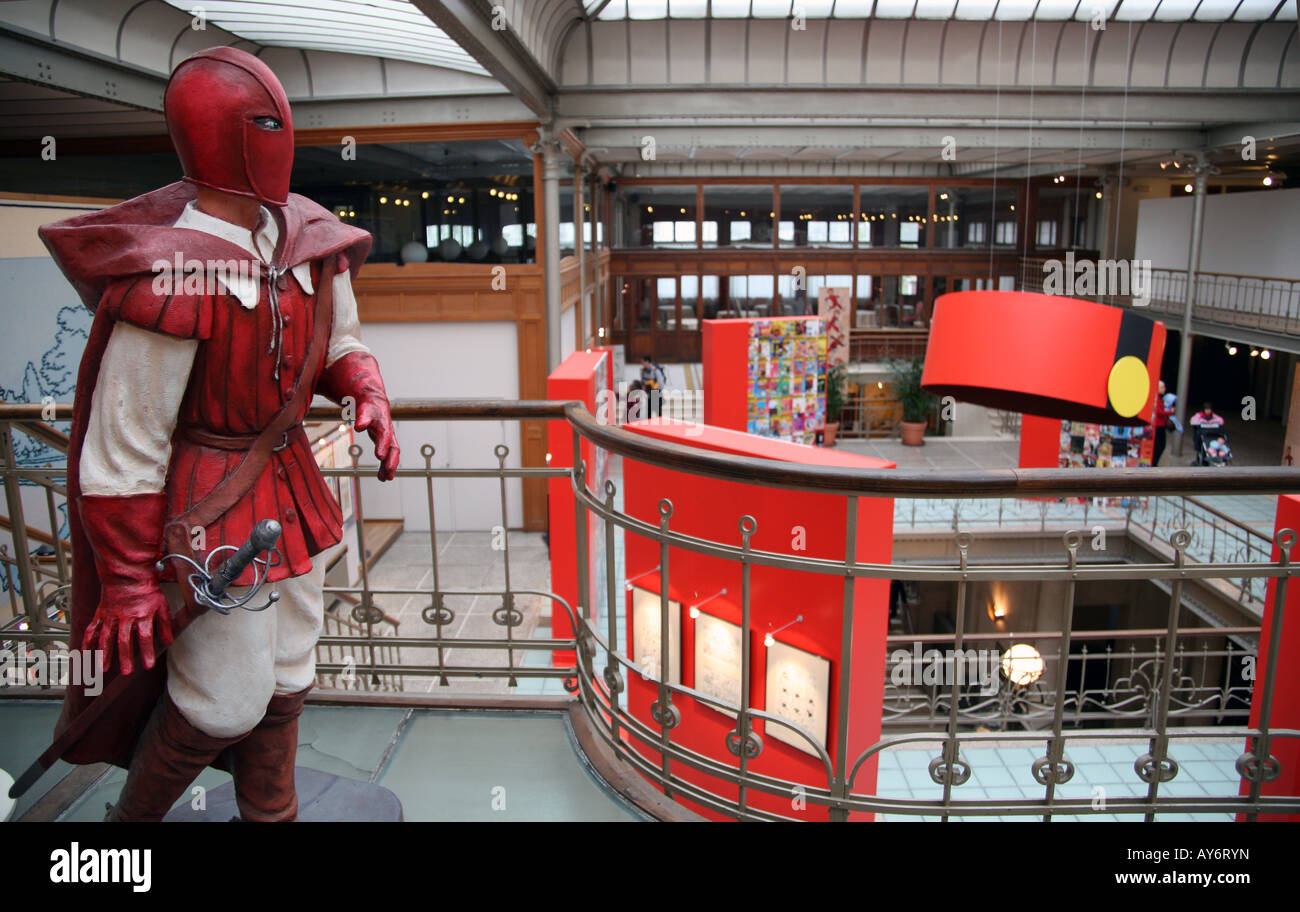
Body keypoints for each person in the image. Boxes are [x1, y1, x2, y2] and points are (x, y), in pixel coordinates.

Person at [39, 47, 400, 822]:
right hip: (207, 508)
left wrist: (364, 390)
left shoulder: (310, 242)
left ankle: (269, 811)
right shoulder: (170, 275)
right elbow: (124, 442)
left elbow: (339, 345)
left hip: (292, 481)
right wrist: (131, 579)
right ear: (219, 134)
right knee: (221, 700)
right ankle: (128, 830)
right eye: (264, 122)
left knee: (290, 671)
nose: (280, 136)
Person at [1152, 380, 1173, 466]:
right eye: (1162, 387)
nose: (1164, 389)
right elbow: (1159, 412)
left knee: (1161, 445)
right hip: (1157, 425)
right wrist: (1170, 412)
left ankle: (1155, 462)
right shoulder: (1156, 398)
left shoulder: (1160, 398)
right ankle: (1154, 463)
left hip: (1161, 425)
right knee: (1159, 445)